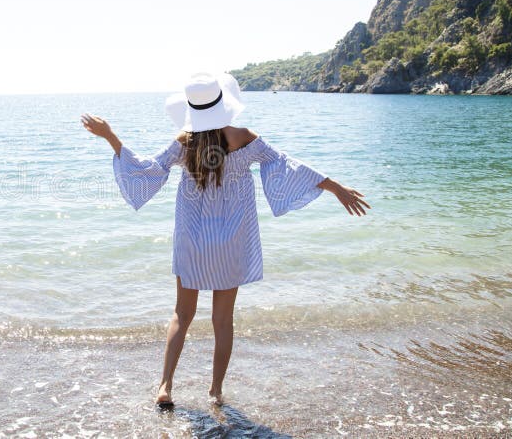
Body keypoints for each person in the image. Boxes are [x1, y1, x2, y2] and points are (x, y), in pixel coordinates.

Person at [80, 72, 370, 409]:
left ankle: (165, 386)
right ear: (222, 104)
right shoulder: (244, 138)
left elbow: (146, 170)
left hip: (192, 238)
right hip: (232, 240)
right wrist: (336, 188)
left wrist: (110, 136)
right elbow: (289, 165)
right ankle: (215, 391)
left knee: (181, 314)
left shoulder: (184, 142)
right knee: (223, 320)